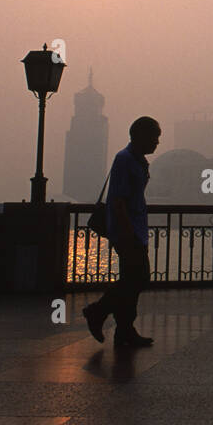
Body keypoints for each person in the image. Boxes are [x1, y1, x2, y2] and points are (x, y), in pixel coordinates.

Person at [82, 116, 159, 348]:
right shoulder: (124, 159)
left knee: (132, 280)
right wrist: (128, 232)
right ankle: (97, 311)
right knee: (138, 277)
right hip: (127, 231)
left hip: (136, 229)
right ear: (140, 136)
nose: (157, 142)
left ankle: (124, 329)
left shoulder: (138, 161)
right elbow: (118, 201)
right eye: (154, 137)